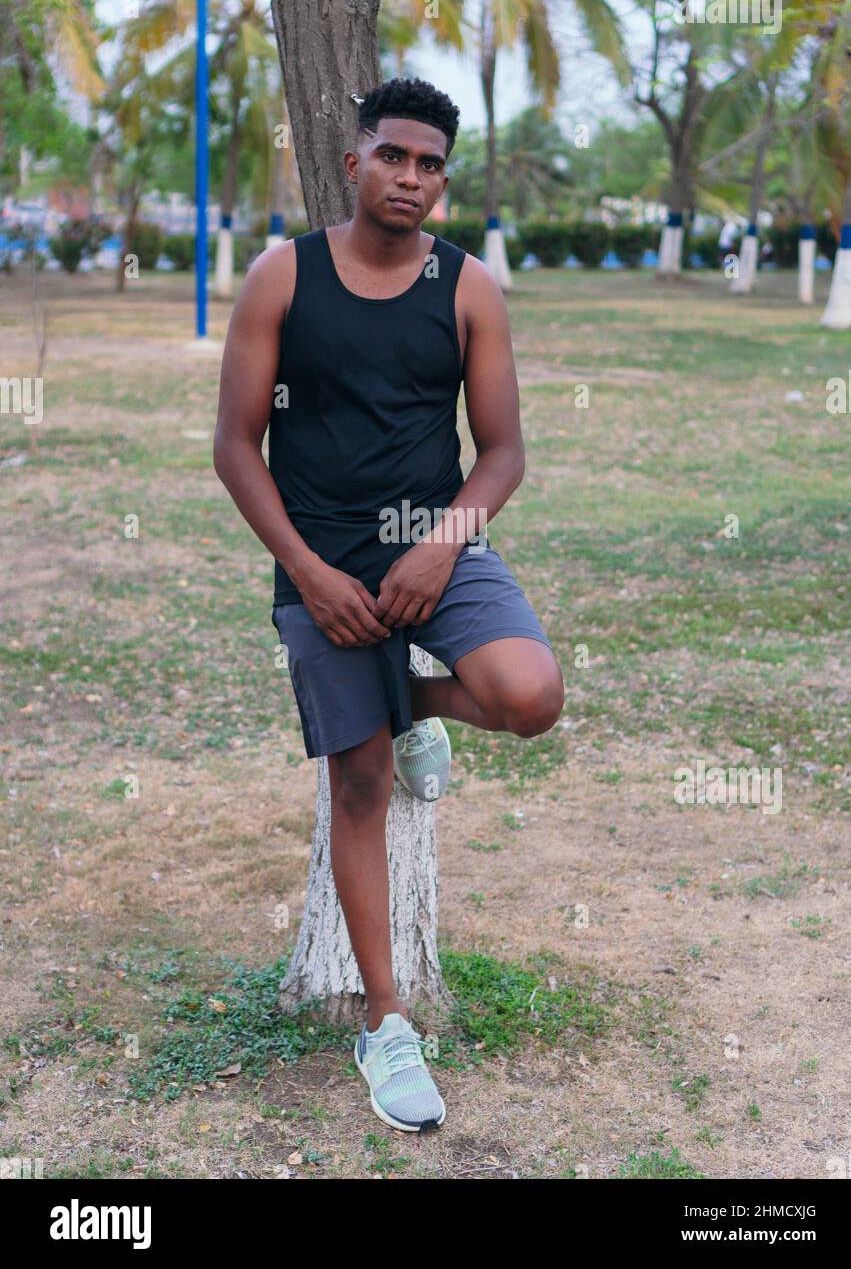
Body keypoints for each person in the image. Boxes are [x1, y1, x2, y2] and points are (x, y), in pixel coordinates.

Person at [213, 76, 564, 1133]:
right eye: (395, 157)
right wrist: (311, 575)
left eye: (430, 166)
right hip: (320, 560)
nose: (410, 178)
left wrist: (439, 545)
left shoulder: (465, 288)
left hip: (437, 548)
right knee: (359, 782)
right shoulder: (284, 276)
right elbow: (235, 443)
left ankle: (408, 701)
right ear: (355, 160)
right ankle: (386, 1020)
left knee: (529, 693)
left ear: (440, 182)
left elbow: (501, 451)